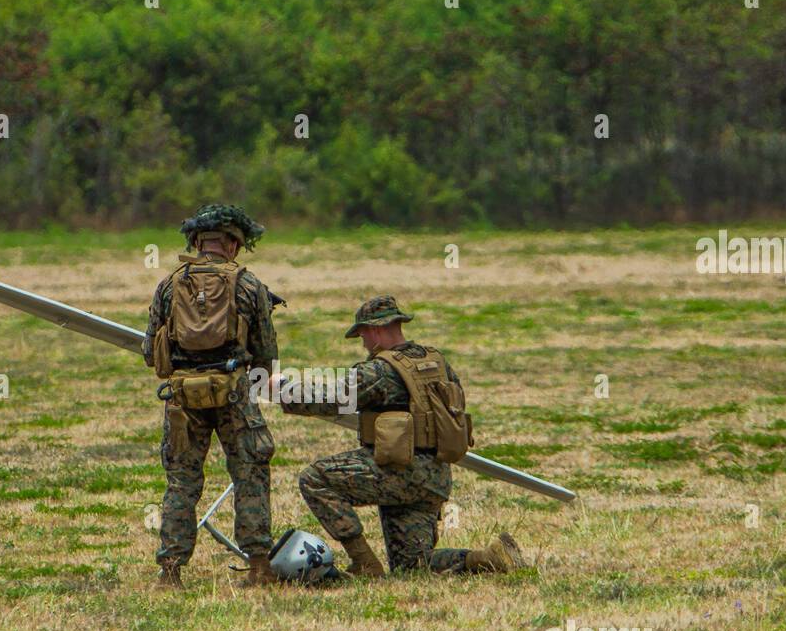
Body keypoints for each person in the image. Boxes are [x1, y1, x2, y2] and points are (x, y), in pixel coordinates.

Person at [280, 296, 522, 577]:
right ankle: (486, 559)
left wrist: (283, 389)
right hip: (435, 478)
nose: (363, 343)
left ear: (375, 330)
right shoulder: (436, 361)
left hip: (398, 472)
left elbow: (329, 398)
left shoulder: (380, 370)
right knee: (412, 566)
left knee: (315, 478)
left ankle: (364, 562)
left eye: (362, 335)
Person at [142, 204, 281, 587]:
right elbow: (266, 356)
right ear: (234, 244)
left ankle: (169, 572)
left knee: (182, 484)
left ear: (197, 241)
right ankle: (258, 566)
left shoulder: (169, 285)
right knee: (250, 474)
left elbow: (149, 350)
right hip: (235, 394)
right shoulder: (250, 285)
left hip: (183, 400)